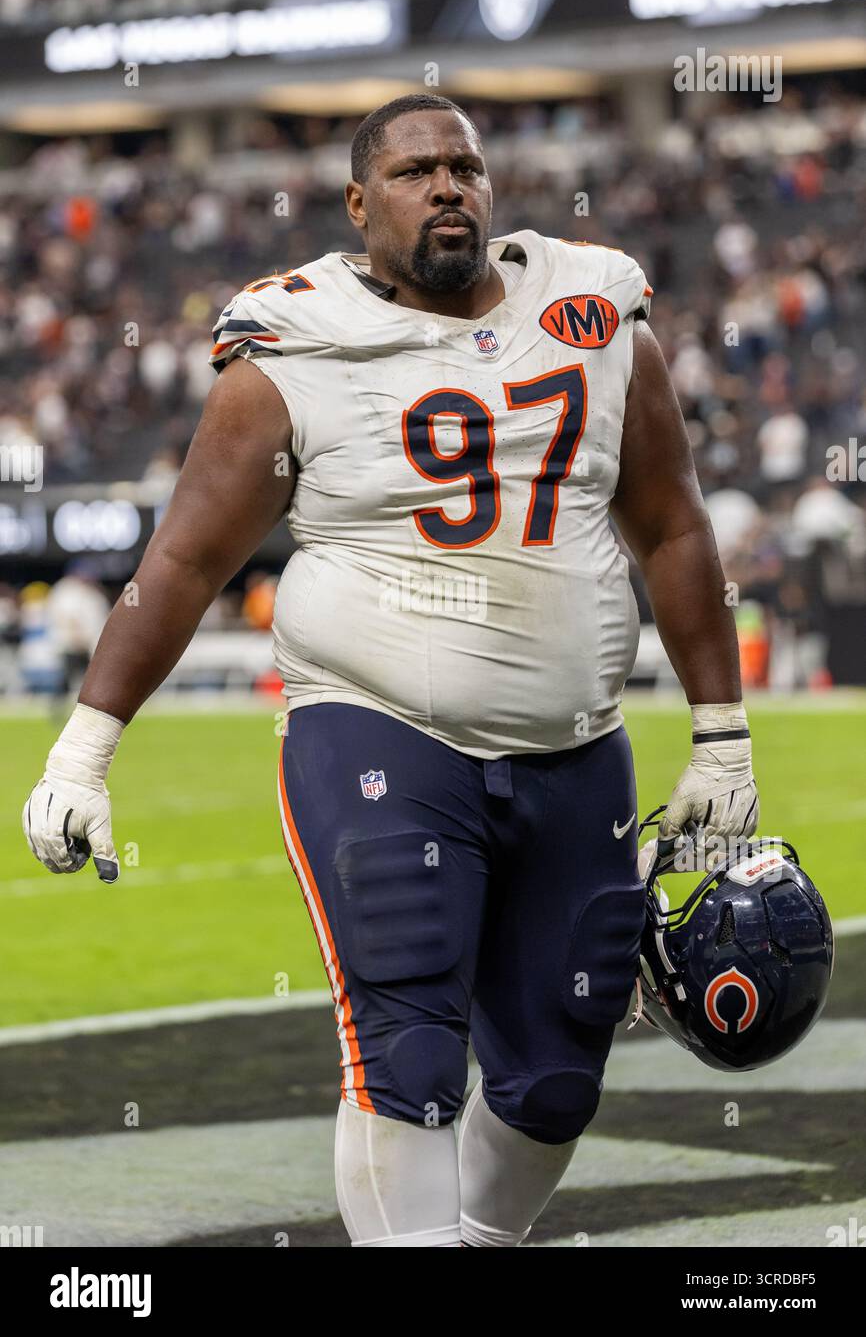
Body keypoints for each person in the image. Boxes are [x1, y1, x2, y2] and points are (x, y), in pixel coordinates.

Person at [23, 94, 759, 1248]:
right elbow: (182, 559)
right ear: (360, 205)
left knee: (557, 1077)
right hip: (375, 724)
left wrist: (720, 732)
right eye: (416, 171)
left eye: (465, 164)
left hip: (575, 743)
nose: (449, 186)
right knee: (408, 1037)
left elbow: (670, 526)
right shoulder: (294, 342)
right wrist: (85, 746)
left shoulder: (592, 310)